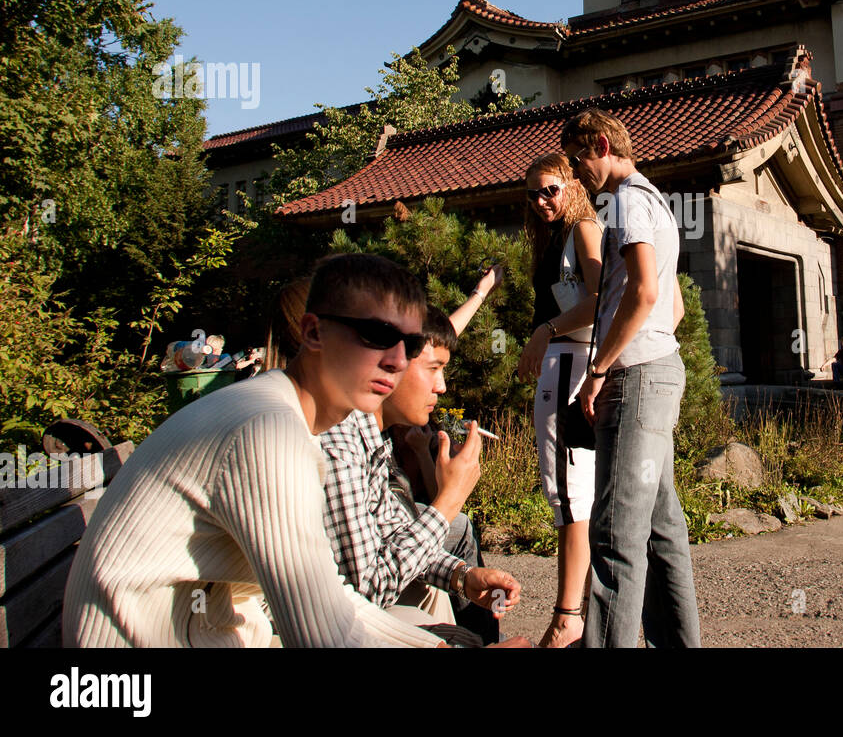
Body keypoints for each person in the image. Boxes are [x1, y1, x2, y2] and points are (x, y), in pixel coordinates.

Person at [63, 252, 528, 647]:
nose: (395, 360)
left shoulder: (291, 414)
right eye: (374, 336)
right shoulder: (268, 432)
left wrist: (454, 612)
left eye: (407, 344)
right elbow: (321, 635)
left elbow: (330, 598)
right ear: (313, 333)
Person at [563, 108, 700, 648]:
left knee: (616, 535)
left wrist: (599, 368)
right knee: (662, 531)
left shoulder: (625, 200)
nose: (578, 174)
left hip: (636, 378)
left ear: (600, 143)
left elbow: (645, 293)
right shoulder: (656, 202)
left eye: (579, 161)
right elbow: (675, 305)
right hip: (658, 370)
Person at [319, 305, 520, 647]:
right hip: (303, 624)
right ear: (389, 365)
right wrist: (450, 499)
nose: (441, 387)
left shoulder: (370, 439)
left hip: (342, 611)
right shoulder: (339, 440)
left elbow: (392, 529)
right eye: (434, 369)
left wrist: (463, 576)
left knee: (457, 623)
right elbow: (368, 587)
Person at [514, 152, 604, 647]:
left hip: (572, 362)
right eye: (533, 193)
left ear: (571, 186)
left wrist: (544, 331)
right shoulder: (552, 238)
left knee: (569, 494)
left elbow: (600, 297)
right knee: (570, 492)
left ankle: (568, 615)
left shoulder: (584, 229)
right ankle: (583, 610)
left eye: (550, 189)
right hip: (561, 362)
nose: (542, 200)